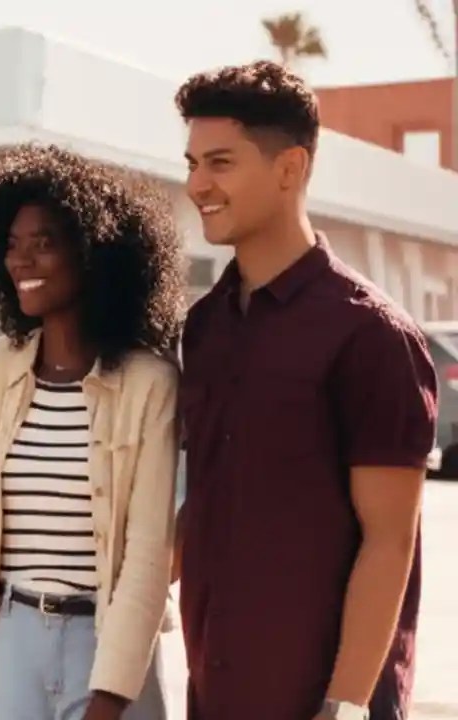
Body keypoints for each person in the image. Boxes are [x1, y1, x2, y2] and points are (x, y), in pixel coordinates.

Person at [174, 61, 438, 720]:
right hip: (219, 693)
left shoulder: (370, 334)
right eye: (191, 163)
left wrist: (345, 705)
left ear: (290, 168)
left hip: (320, 703)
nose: (196, 185)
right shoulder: (205, 326)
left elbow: (390, 540)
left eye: (220, 163)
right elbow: (208, 501)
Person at [0, 143, 184, 720]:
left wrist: (111, 696)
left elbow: (149, 553)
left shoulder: (149, 381)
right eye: (13, 246)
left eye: (44, 243)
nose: (22, 261)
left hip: (109, 640)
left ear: (95, 252)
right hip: (10, 640)